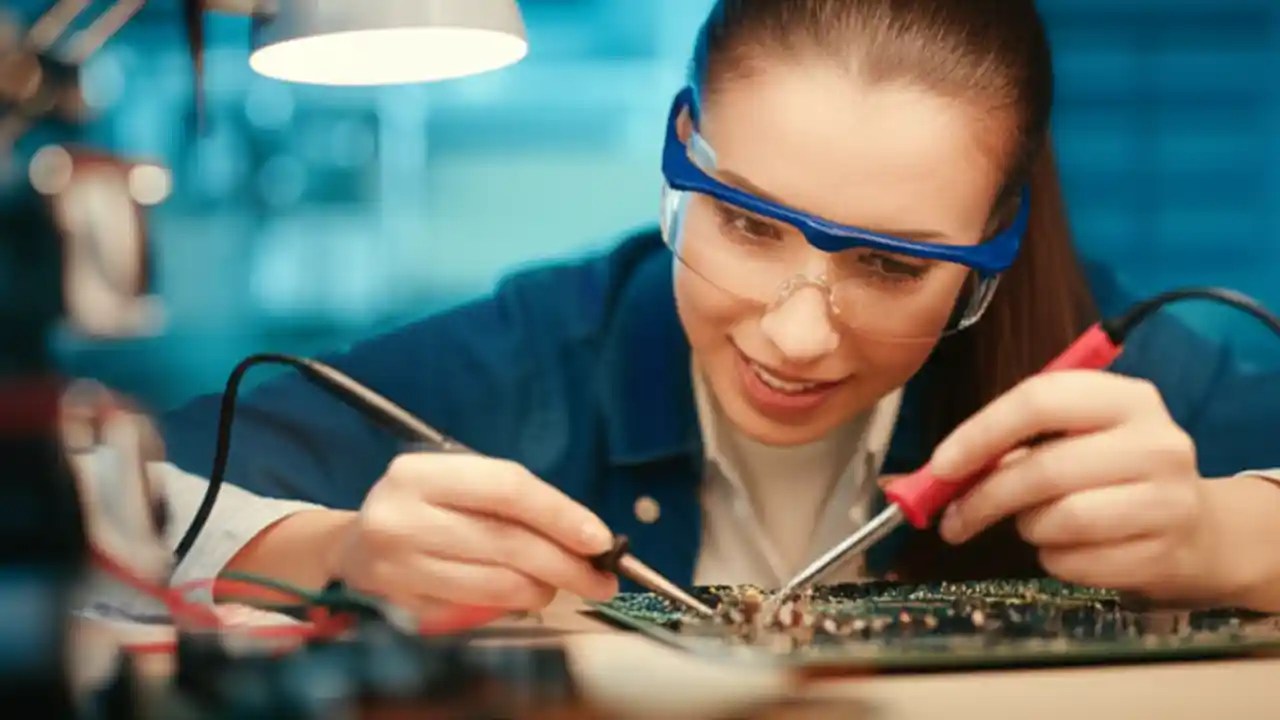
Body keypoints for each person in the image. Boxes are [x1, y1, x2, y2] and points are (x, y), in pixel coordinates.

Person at [159, 0, 1280, 621]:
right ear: (680, 158)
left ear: (994, 254)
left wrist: (1229, 536)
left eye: (892, 267)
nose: (794, 337)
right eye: (747, 224)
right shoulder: (527, 359)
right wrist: (334, 549)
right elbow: (105, 504)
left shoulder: (1106, 383)